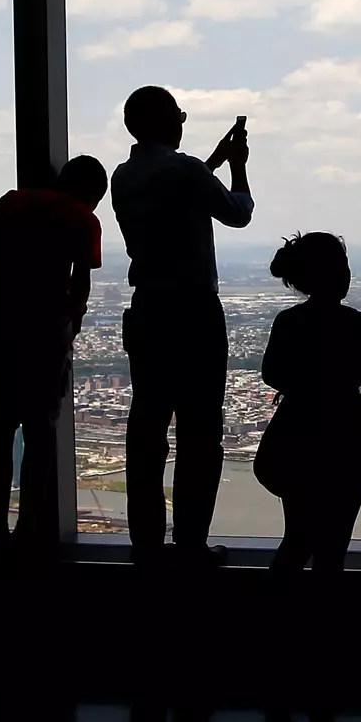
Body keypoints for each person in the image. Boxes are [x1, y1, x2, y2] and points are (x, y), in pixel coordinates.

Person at [111, 86, 253, 568]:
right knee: (199, 432)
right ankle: (190, 541)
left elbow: (173, 197)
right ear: (167, 120)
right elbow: (238, 213)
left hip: (148, 310)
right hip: (193, 313)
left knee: (147, 428)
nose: (184, 121)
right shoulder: (185, 170)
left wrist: (207, 163)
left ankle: (146, 543)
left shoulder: (124, 176)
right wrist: (236, 165)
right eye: (180, 114)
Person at [0, 157, 107, 565]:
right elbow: (81, 281)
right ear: (93, 194)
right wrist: (71, 322)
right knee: (40, 435)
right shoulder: (81, 218)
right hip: (44, 333)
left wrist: (0, 271)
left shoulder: (15, 202)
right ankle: (29, 528)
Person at [256, 233, 361, 577]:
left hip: (293, 442)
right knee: (333, 550)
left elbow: (271, 373)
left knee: (297, 538)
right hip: (344, 449)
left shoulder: (288, 322)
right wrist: (353, 406)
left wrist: (306, 392)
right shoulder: (360, 326)